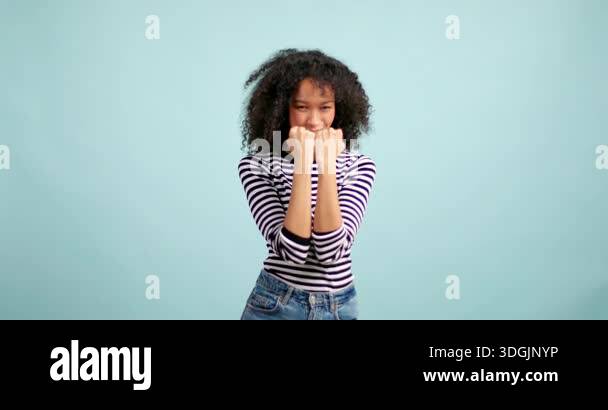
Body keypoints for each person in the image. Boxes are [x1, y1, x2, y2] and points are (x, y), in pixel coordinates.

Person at [238, 48, 376, 320]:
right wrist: (302, 163)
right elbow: (292, 251)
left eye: (325, 108)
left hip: (340, 307)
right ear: (280, 107)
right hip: (275, 303)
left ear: (340, 108)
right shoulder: (258, 165)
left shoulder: (358, 166)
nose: (314, 121)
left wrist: (326, 166)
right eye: (301, 107)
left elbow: (330, 252)